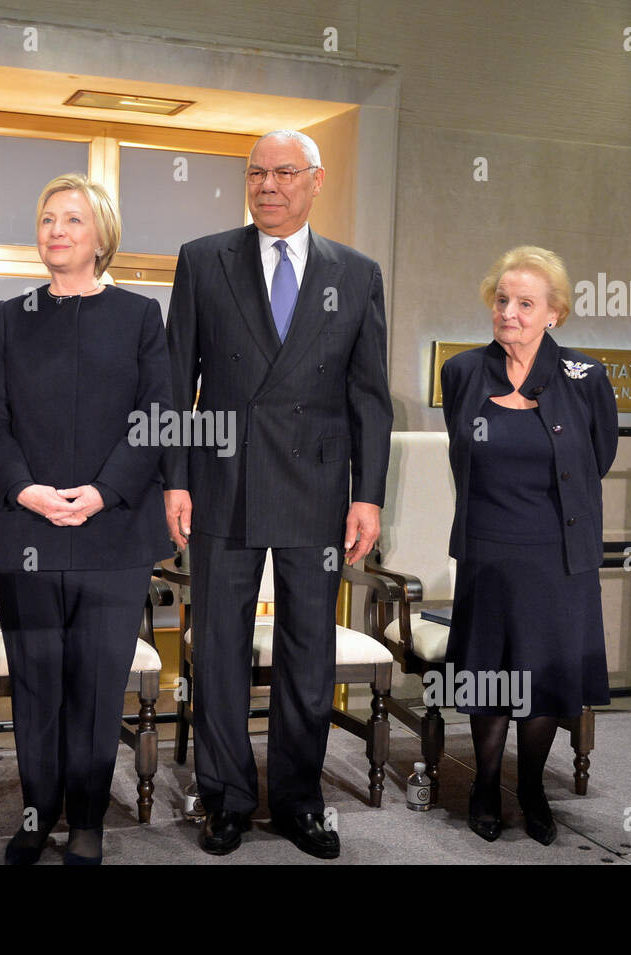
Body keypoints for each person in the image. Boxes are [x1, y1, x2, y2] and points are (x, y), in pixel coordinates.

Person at [163, 130, 392, 859]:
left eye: (284, 172)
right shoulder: (203, 260)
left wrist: (370, 495)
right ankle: (226, 797)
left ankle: (298, 798)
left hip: (316, 487)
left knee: (307, 651)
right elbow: (175, 384)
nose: (267, 184)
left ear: (315, 181)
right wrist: (173, 476)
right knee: (220, 647)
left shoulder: (356, 274)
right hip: (221, 482)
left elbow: (370, 398)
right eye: (256, 172)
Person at [0, 174, 173, 865]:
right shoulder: (11, 314)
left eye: (73, 220)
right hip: (25, 529)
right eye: (48, 218)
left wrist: (103, 491)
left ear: (100, 237)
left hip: (113, 532)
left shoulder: (140, 316)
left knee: (94, 682)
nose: (57, 230)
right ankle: (36, 813)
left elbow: (156, 418)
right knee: (35, 681)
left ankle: (86, 817)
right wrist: (27, 490)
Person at [439, 246, 617, 845]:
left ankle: (533, 785)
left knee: (544, 675)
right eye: (501, 299)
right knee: (489, 673)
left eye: (524, 303)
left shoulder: (585, 378)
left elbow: (600, 458)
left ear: (554, 315)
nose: (508, 312)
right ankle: (486, 783)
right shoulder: (463, 371)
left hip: (557, 554)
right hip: (488, 550)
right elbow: (462, 453)